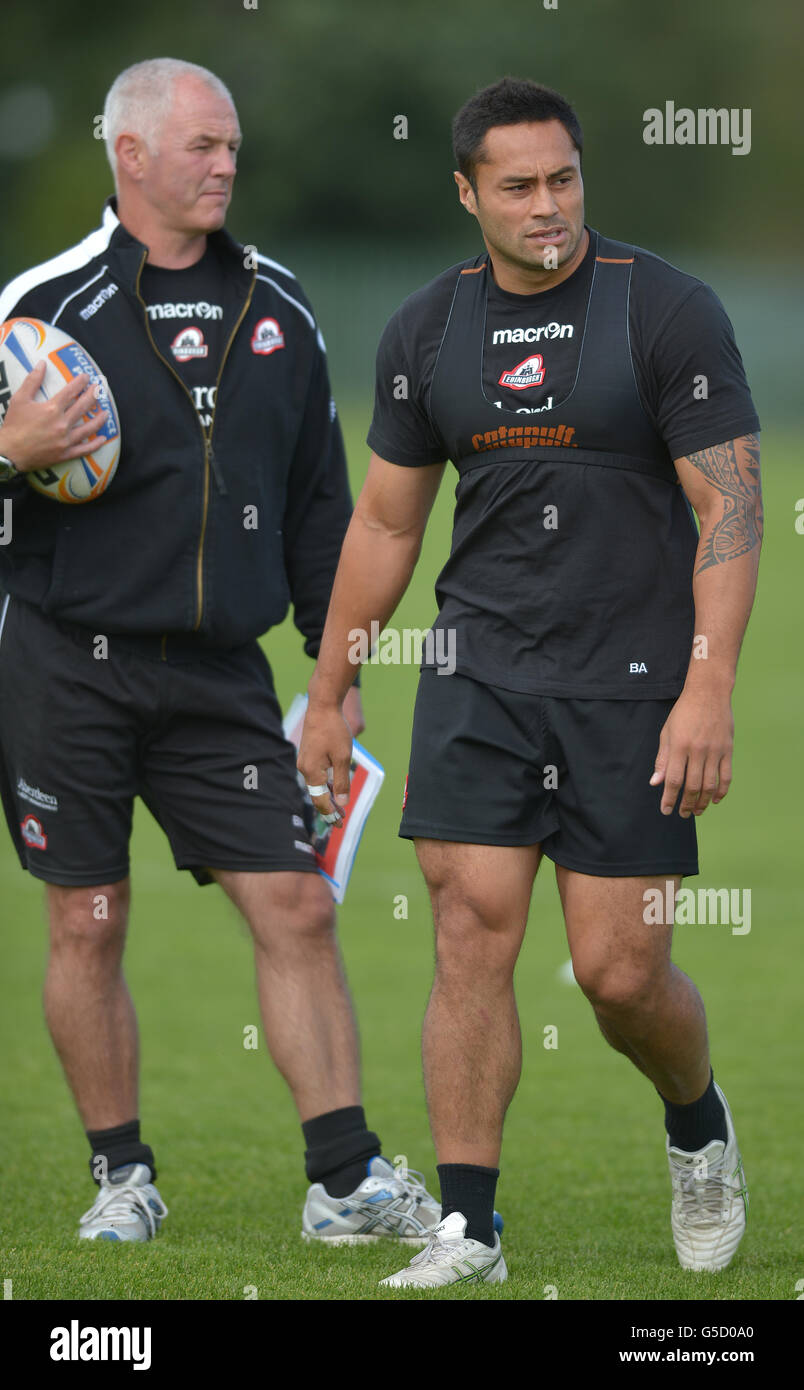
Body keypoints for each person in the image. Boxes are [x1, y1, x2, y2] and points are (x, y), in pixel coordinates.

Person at [299, 77, 761, 1288]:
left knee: (619, 974)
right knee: (468, 932)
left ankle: (699, 1123)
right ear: (466, 193)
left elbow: (732, 508)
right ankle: (471, 1226)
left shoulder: (665, 309)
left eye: (563, 178)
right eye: (517, 186)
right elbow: (389, 528)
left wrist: (707, 690)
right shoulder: (425, 331)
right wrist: (334, 684)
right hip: (480, 675)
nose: (547, 205)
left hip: (633, 686)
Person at [0, 57, 440, 1246]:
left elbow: (318, 514)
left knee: (296, 905)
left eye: (232, 144)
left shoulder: (281, 309)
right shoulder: (40, 305)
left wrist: (332, 685)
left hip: (219, 676)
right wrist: (10, 443)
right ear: (129, 154)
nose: (226, 162)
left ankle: (345, 1182)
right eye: (202, 145)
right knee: (86, 922)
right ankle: (121, 1179)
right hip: (64, 663)